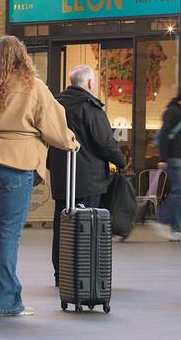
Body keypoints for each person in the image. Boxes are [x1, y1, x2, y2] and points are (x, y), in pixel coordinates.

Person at [0, 36, 78, 316]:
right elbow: (53, 125)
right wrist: (70, 141)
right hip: (18, 165)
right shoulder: (34, 87)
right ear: (22, 57)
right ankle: (5, 301)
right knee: (8, 234)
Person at [50, 64, 126, 271]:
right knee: (87, 225)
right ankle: (83, 270)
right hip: (89, 178)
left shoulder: (55, 105)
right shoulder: (90, 107)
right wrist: (121, 161)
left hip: (62, 177)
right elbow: (105, 142)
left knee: (62, 223)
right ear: (91, 83)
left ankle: (62, 271)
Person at [156, 84, 181, 241]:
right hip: (175, 157)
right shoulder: (172, 112)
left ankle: (176, 230)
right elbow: (164, 135)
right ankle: (159, 219)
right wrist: (162, 158)